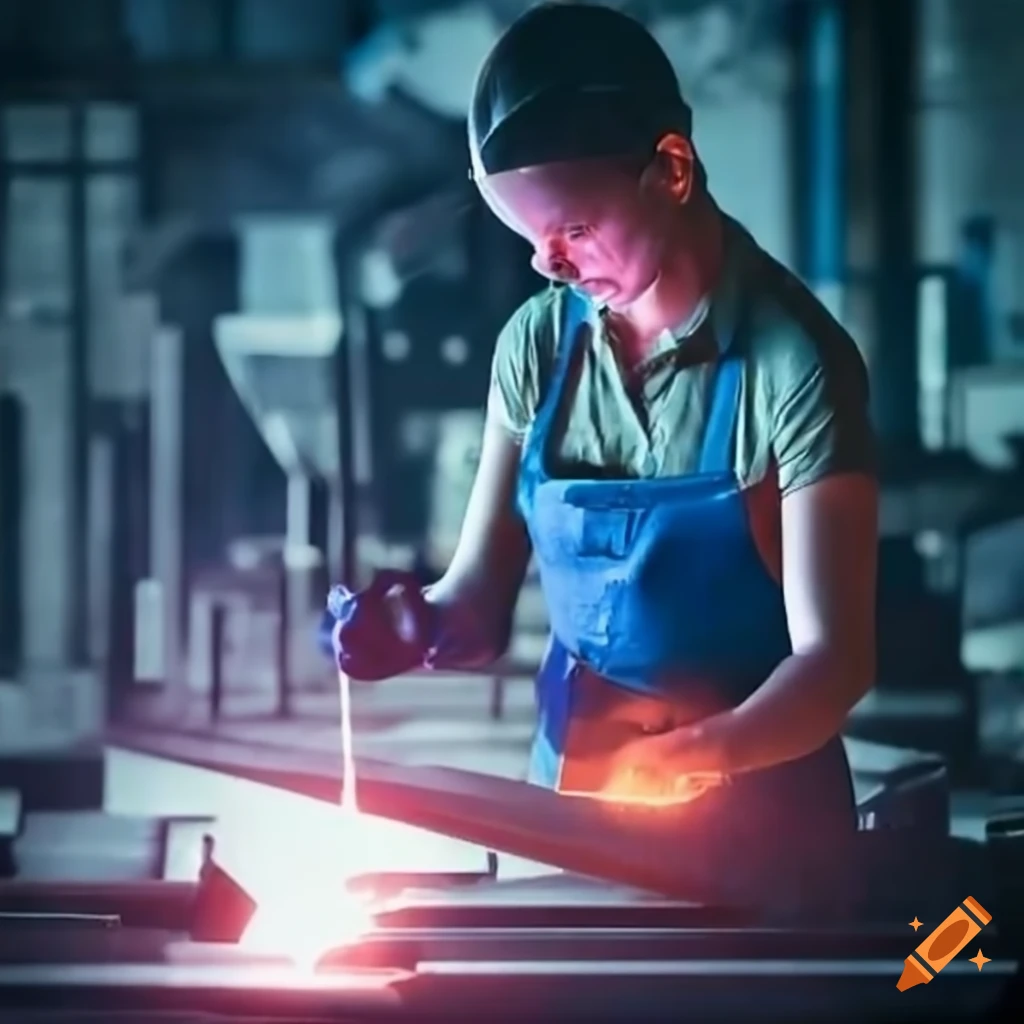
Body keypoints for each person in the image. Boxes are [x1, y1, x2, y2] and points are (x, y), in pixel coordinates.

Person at [328, 3, 877, 843]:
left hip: (761, 830)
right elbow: (477, 609)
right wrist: (414, 627)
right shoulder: (538, 346)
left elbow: (834, 663)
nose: (547, 264)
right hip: (571, 818)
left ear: (672, 170)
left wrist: (697, 757)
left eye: (573, 229)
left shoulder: (795, 364)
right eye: (528, 236)